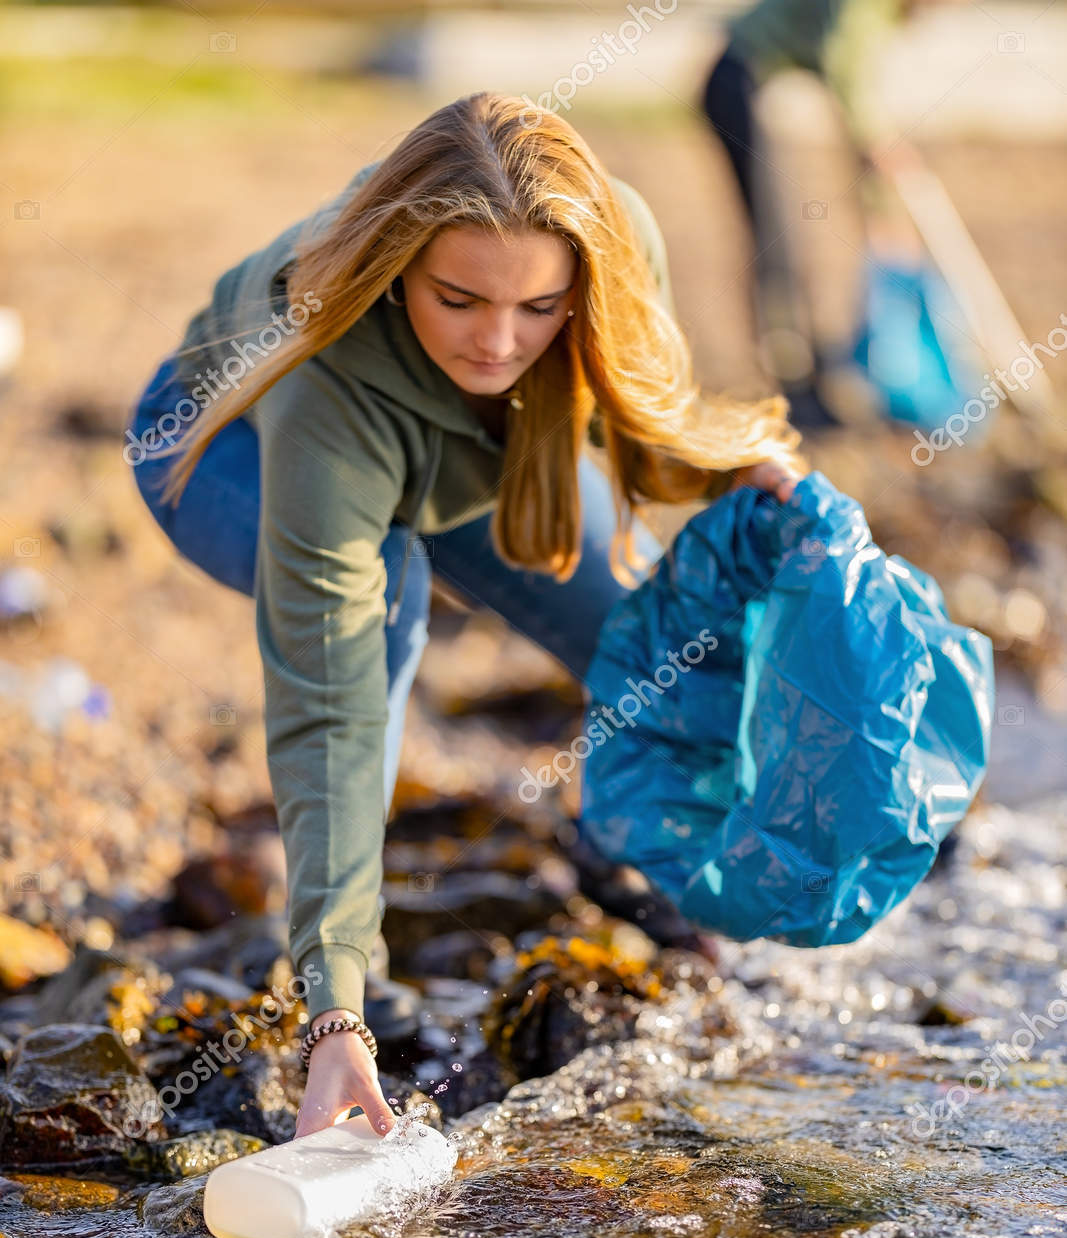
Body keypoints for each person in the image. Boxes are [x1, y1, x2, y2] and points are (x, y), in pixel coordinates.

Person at [125, 90, 803, 1143]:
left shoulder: (608, 240)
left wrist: (730, 470)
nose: (498, 343)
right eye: (460, 299)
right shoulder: (327, 384)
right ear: (404, 265)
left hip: (470, 455)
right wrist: (333, 1008)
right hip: (223, 441)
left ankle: (644, 855)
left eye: (539, 309)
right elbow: (330, 702)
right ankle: (359, 972)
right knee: (386, 597)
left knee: (662, 635)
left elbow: (631, 405)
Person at [701, 0, 909, 426]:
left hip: (751, 86)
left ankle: (811, 370)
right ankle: (793, 382)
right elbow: (842, 65)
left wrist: (878, 201)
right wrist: (876, 140)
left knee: (789, 238)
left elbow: (851, 76)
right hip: (735, 85)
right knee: (777, 241)